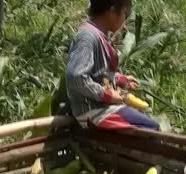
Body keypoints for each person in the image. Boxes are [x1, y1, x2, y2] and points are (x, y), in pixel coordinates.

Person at [65, 0, 160, 130]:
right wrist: (106, 95)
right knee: (151, 127)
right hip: (93, 111)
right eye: (124, 13)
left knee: (145, 118)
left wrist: (119, 79)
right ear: (112, 11)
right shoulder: (87, 37)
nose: (124, 20)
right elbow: (76, 77)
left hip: (103, 108)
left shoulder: (98, 35)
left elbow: (97, 74)